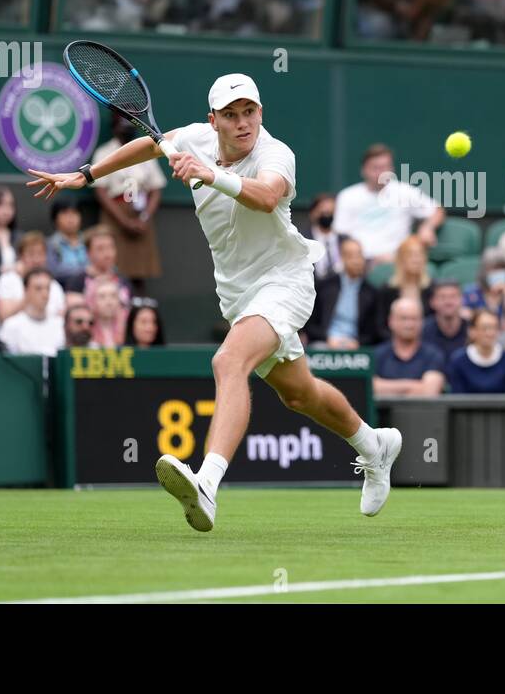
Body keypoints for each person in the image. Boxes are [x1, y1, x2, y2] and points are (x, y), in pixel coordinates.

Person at [27, 71, 403, 531]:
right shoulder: (193, 139)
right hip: (237, 291)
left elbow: (266, 197)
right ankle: (374, 446)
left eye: (250, 112)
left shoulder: (275, 153)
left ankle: (207, 484)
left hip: (284, 280)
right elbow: (151, 143)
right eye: (231, 115)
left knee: (228, 362)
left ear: (260, 113)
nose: (243, 123)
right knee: (299, 395)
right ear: (214, 121)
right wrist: (85, 175)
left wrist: (210, 175)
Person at [333, 143, 443, 263]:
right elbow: (340, 234)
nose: (382, 172)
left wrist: (428, 227)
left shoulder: (405, 192)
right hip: (358, 263)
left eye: (386, 167)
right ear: (363, 170)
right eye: (376, 168)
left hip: (397, 262)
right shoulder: (347, 196)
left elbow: (437, 210)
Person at [91, 118, 167, 292]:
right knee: (114, 265)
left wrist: (145, 217)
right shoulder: (104, 152)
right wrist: (124, 221)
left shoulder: (145, 150)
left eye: (131, 124)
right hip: (116, 215)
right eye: (122, 124)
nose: (127, 128)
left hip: (141, 214)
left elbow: (156, 188)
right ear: (114, 127)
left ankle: (139, 308)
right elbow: (100, 190)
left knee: (140, 269)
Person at [303, 235, 381, 349]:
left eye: (359, 255)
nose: (356, 261)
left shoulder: (371, 292)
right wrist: (327, 338)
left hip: (357, 347)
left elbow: (374, 332)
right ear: (342, 258)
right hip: (325, 343)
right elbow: (310, 325)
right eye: (350, 256)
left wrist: (358, 342)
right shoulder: (325, 286)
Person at [372, 296, 446, 398]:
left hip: (421, 413)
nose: (409, 324)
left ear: (422, 322)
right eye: (404, 318)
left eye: (414, 319)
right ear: (391, 321)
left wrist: (386, 387)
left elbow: (429, 392)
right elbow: (370, 388)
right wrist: (415, 386)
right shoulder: (377, 355)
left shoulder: (433, 355)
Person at [0, 230, 67, 321]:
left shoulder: (54, 286)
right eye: (31, 254)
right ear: (21, 256)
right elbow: (3, 316)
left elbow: (61, 319)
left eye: (40, 254)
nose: (36, 260)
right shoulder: (8, 279)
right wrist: (28, 297)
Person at [445, 309, 505, 393]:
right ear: (472, 331)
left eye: (494, 328)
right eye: (485, 328)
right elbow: (457, 399)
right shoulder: (458, 360)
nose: (490, 333)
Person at [0, 267, 65, 357]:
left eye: (47, 288)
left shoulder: (60, 325)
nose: (45, 294)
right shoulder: (12, 326)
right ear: (26, 290)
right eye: (38, 288)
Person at [373, 235, 433, 336]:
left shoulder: (431, 288)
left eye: (420, 255)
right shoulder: (387, 290)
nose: (416, 260)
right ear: (401, 259)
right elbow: (380, 327)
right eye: (411, 255)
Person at [46, 195, 86, 290]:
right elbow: (53, 272)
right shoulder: (50, 245)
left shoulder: (89, 241)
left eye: (75, 213)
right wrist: (86, 272)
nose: (71, 218)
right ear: (55, 218)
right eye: (65, 213)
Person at [422, 278, 468, 358]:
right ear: (432, 302)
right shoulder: (422, 330)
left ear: (462, 300)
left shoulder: (472, 329)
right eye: (442, 297)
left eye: (453, 297)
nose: (448, 302)